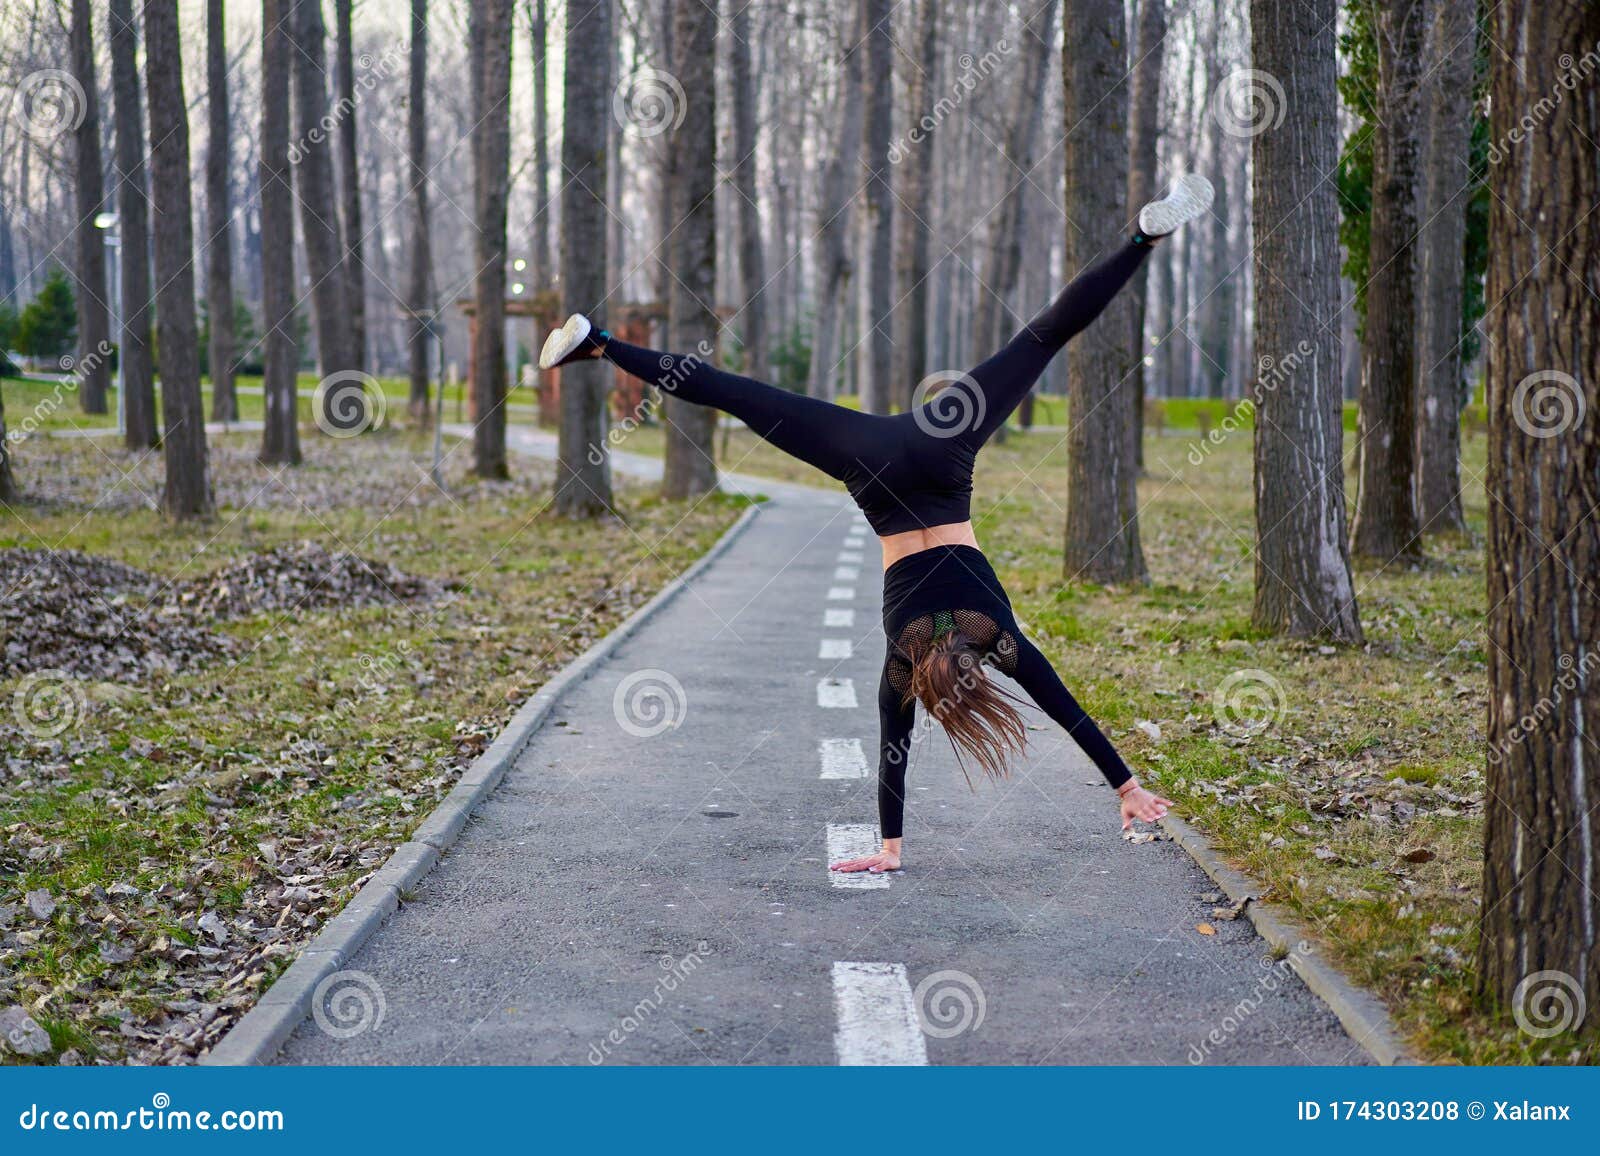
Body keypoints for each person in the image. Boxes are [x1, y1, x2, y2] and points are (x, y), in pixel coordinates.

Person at [540, 173, 1213, 874]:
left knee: (1043, 335)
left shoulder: (998, 638)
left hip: (943, 451)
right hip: (873, 468)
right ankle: (600, 344)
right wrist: (887, 847)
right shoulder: (902, 662)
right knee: (741, 397)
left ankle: (1144, 237)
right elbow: (894, 746)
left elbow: (1067, 709)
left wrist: (1127, 784)